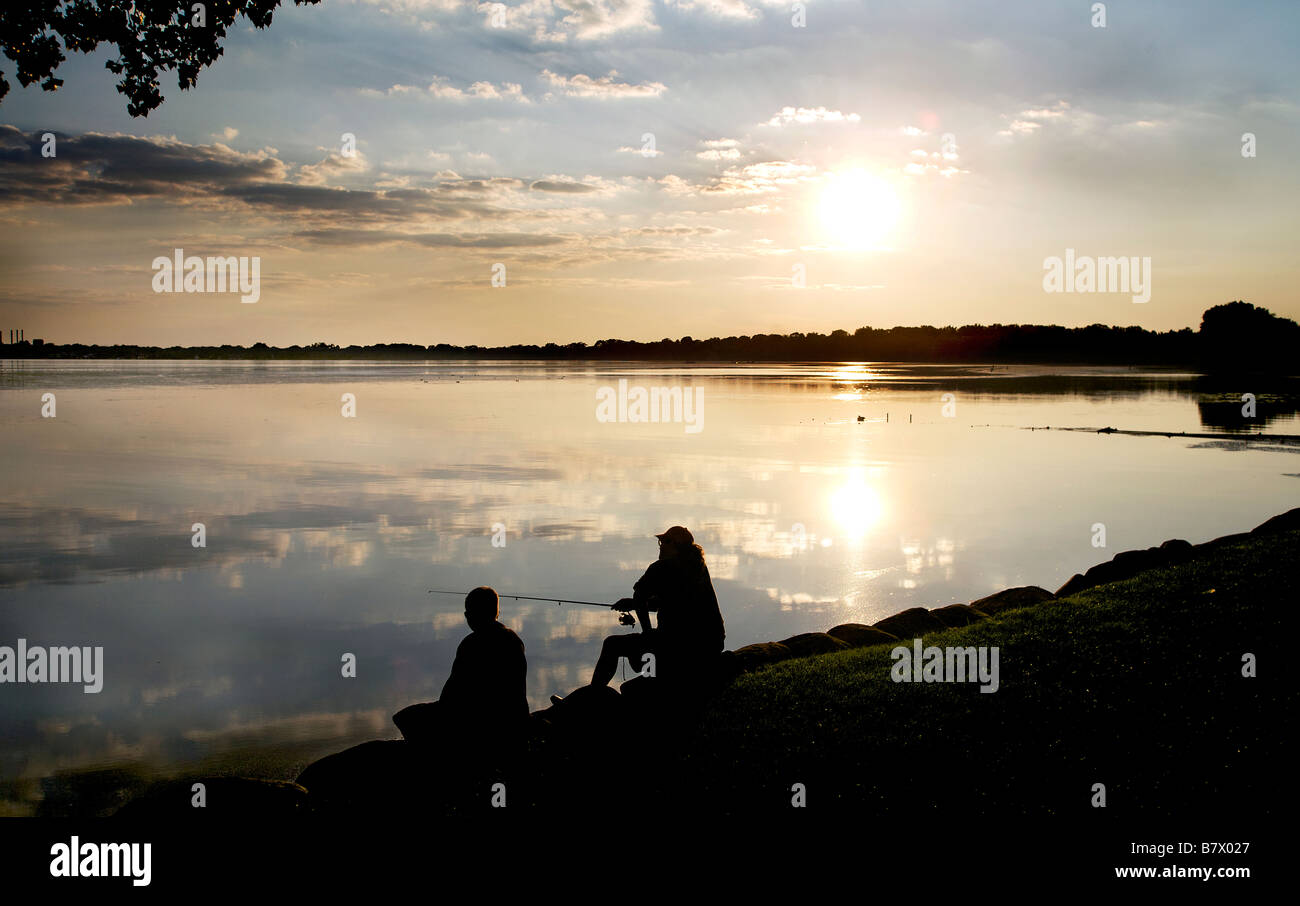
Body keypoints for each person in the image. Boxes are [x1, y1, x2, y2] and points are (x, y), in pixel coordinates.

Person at [582, 525, 725, 693]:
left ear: (673, 544)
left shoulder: (660, 568)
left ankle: (593, 697)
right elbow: (675, 601)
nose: (660, 546)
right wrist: (634, 604)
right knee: (653, 644)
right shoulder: (698, 566)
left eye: (663, 542)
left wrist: (647, 631)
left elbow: (640, 597)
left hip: (678, 646)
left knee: (612, 645)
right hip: (710, 644)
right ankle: (650, 680)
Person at [393, 586, 528, 747]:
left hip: (481, 722)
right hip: (516, 717)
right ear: (497, 612)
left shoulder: (472, 644)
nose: (466, 616)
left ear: (470, 615)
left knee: (405, 717)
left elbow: (451, 694)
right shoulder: (514, 639)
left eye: (467, 612)